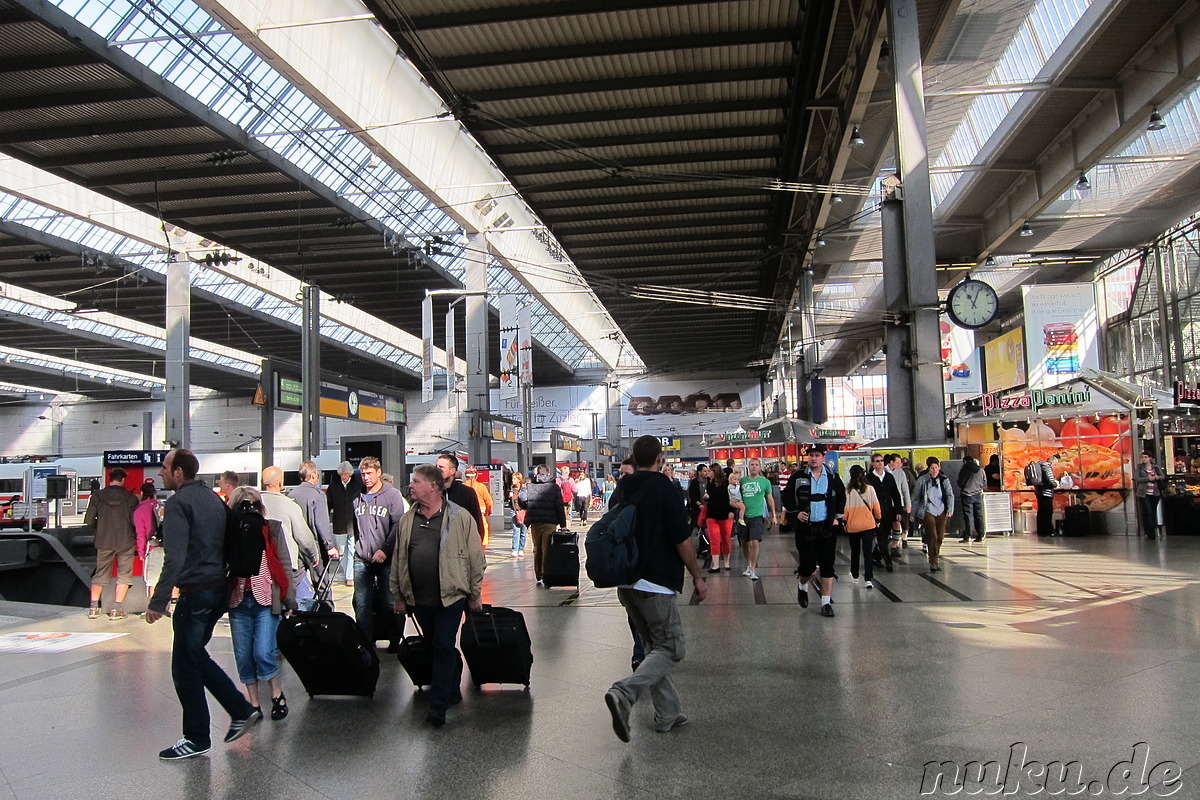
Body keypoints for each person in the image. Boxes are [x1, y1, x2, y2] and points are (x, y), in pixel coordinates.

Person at [146, 449, 260, 760]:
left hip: (195, 592)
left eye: (166, 468)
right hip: (217, 591)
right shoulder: (214, 500)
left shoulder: (179, 503)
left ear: (179, 472)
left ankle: (218, 722)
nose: (161, 473)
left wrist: (158, 600)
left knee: (188, 659)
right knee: (189, 659)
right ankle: (202, 732)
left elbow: (175, 557)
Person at [603, 435, 707, 743]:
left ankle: (667, 713)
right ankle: (625, 692)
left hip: (626, 582)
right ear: (660, 458)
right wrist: (697, 577)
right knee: (672, 647)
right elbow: (681, 539)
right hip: (656, 584)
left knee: (652, 647)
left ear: (633, 458)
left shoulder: (622, 488)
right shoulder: (665, 488)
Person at [391, 464, 485, 726]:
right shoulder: (408, 519)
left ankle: (438, 705)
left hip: (451, 596)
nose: (410, 485)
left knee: (443, 645)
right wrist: (398, 595)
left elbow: (476, 559)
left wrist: (474, 593)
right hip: (419, 599)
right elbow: (399, 559)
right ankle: (452, 688)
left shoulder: (459, 517)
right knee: (436, 647)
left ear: (433, 486)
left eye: (416, 481)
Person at [225, 486, 297, 723]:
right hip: (238, 601)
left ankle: (276, 694)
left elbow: (284, 563)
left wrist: (290, 599)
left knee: (264, 652)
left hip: (266, 600)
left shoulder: (272, 529)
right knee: (244, 656)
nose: (249, 510)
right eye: (242, 506)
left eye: (254, 505)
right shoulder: (228, 532)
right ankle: (254, 704)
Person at [350, 456, 407, 650]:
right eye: (363, 474)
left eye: (369, 473)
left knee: (389, 602)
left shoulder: (392, 495)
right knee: (362, 602)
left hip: (386, 558)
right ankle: (366, 640)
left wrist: (385, 549)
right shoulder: (357, 497)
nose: (365, 477)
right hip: (362, 558)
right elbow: (357, 527)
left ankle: (395, 639)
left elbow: (398, 525)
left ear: (379, 473)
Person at [782, 445, 845, 617]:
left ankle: (825, 603)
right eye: (811, 455)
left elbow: (841, 497)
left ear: (823, 458)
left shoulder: (832, 477)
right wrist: (796, 513)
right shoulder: (798, 476)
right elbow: (786, 497)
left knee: (827, 565)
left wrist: (837, 518)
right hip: (805, 529)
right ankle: (802, 586)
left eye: (817, 455)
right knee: (807, 566)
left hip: (826, 528)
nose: (813, 458)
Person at [259, 466, 320, 603]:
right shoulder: (289, 506)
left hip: (258, 566)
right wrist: (313, 555)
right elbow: (304, 538)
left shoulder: (254, 503)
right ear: (281, 482)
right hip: (284, 565)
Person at [84, 467, 139, 620]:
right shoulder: (131, 498)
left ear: (109, 479)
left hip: (104, 540)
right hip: (126, 541)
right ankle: (116, 609)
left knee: (100, 574)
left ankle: (94, 608)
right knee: (124, 575)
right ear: (123, 480)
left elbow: (88, 521)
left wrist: (100, 527)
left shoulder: (97, 496)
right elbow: (135, 522)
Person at [519, 465, 567, 585]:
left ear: (537, 473)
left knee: (537, 548)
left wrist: (527, 505)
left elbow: (521, 497)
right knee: (547, 549)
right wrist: (563, 525)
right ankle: (546, 574)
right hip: (550, 522)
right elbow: (559, 506)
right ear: (548, 473)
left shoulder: (530, 486)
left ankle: (538, 574)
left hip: (535, 521)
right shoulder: (554, 487)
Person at [290, 461, 339, 566]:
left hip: (296, 547)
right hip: (315, 548)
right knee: (321, 581)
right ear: (312, 475)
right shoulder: (319, 495)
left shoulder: (291, 495)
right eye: (317, 474)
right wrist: (329, 546)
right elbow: (321, 523)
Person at [913, 457, 955, 572]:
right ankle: (934, 561)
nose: (934, 470)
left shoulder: (944, 480)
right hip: (928, 509)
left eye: (936, 467)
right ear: (928, 469)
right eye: (932, 468)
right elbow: (916, 497)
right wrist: (913, 513)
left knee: (940, 536)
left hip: (941, 509)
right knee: (932, 534)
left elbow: (950, 495)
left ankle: (935, 555)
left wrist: (950, 509)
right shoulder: (922, 480)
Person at [738, 457, 776, 581]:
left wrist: (774, 515)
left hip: (757, 515)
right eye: (752, 464)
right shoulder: (742, 481)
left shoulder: (765, 482)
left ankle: (753, 568)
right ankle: (749, 565)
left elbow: (770, 499)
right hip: (744, 516)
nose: (754, 467)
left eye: (756, 465)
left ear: (760, 467)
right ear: (749, 467)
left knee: (755, 541)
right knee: (744, 542)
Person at [843, 465, 881, 588]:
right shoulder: (870, 489)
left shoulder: (848, 490)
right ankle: (868, 579)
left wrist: (844, 522)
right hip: (868, 525)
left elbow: (846, 510)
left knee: (855, 551)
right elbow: (876, 506)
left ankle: (855, 575)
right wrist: (878, 519)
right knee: (867, 553)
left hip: (853, 526)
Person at [326, 462, 363, 586]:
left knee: (352, 551)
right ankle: (348, 574)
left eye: (346, 474)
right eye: (342, 474)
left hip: (353, 524)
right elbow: (328, 505)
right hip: (339, 525)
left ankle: (349, 577)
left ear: (350, 474)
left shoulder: (357, 485)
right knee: (342, 552)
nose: (344, 477)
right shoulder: (333, 487)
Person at [436, 454, 485, 540]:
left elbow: (476, 521)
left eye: (441, 467)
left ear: (452, 471)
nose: (437, 470)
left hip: (459, 545)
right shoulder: (431, 491)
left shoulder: (466, 493)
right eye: (436, 466)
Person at [865, 454, 900, 573]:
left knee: (885, 536)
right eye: (877, 461)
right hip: (875, 513)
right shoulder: (868, 478)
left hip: (888, 512)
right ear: (873, 464)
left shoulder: (889, 477)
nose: (880, 463)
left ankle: (876, 555)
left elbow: (895, 494)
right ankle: (888, 560)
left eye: (881, 461)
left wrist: (898, 511)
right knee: (880, 536)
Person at [704, 462, 734, 573]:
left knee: (726, 539)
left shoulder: (726, 483)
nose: (708, 473)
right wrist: (707, 498)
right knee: (714, 539)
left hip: (725, 514)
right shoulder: (709, 483)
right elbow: (710, 498)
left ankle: (727, 562)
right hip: (712, 514)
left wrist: (731, 511)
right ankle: (715, 565)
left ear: (715, 471)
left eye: (709, 471)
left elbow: (731, 498)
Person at [1135, 452, 1166, 540]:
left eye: (1146, 457)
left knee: (1153, 511)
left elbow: (1162, 476)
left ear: (1150, 458)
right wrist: (1147, 478)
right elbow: (1136, 478)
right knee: (1148, 511)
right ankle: (1150, 532)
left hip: (1155, 492)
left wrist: (1157, 477)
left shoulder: (1155, 467)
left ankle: (1152, 530)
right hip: (1144, 493)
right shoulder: (1140, 467)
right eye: (1142, 457)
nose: (1144, 459)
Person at [886, 453, 912, 560]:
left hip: (897, 503)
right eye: (897, 462)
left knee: (897, 523)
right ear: (891, 462)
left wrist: (907, 504)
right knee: (886, 526)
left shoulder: (901, 473)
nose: (899, 464)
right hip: (886, 503)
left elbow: (905, 489)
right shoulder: (883, 471)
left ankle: (894, 547)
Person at [957, 455, 987, 544]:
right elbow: (984, 482)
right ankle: (981, 535)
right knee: (979, 515)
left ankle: (968, 536)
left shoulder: (965, 469)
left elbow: (960, 482)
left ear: (965, 461)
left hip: (967, 495)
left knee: (968, 516)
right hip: (978, 494)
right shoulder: (981, 470)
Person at [462, 467, 494, 547]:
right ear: (476, 475)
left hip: (465, 512)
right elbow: (489, 501)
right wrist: (488, 511)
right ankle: (482, 544)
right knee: (483, 527)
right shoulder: (481, 487)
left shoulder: (462, 487)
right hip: (480, 512)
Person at [1030, 456, 1056, 537]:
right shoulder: (1047, 466)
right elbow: (1050, 480)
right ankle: (1048, 531)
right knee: (1047, 512)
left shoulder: (1038, 466)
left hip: (1039, 491)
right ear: (1053, 462)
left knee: (1041, 512)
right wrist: (1055, 484)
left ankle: (1041, 531)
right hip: (1046, 492)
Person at [509, 472, 529, 557]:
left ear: (519, 480)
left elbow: (526, 500)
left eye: (514, 479)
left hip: (523, 511)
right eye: (512, 479)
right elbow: (511, 502)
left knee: (523, 531)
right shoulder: (511, 489)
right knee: (516, 530)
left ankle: (521, 549)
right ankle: (514, 549)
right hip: (514, 511)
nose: (513, 480)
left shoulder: (524, 489)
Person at [686, 463, 711, 531]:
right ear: (699, 472)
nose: (706, 473)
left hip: (709, 507)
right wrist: (699, 504)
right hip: (697, 507)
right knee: (696, 523)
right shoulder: (694, 482)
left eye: (707, 471)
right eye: (704, 471)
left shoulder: (710, 481)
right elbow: (692, 495)